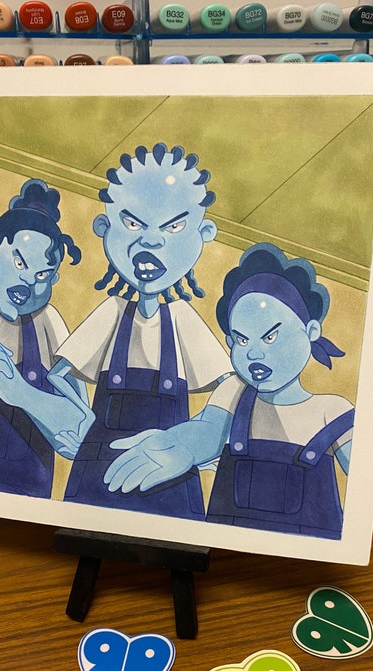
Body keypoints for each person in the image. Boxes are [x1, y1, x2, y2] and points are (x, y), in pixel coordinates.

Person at [104, 242, 354, 539]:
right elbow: (209, 430)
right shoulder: (235, 392)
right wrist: (180, 444)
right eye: (242, 340)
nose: (254, 354)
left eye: (270, 337)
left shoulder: (332, 411)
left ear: (311, 331)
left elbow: (363, 485)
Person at [49, 143, 232, 519]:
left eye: (174, 226)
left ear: (203, 233)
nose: (151, 240)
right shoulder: (112, 312)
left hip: (169, 473)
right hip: (98, 467)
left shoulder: (182, 318)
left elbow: (231, 385)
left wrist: (199, 439)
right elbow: (59, 374)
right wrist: (84, 419)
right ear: (104, 228)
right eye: (132, 224)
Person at [0, 178, 93, 498]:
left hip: (26, 492)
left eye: (42, 275)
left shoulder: (50, 324)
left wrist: (20, 393)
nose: (27, 281)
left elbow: (79, 429)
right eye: (18, 262)